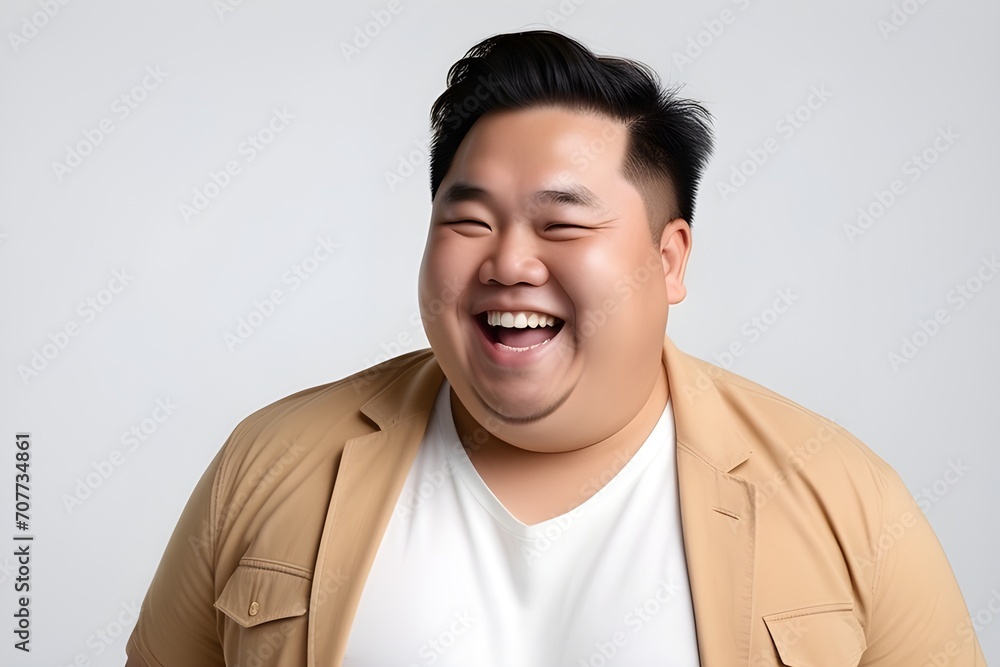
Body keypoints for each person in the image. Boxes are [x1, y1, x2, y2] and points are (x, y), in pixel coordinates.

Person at [125, 30, 985, 666]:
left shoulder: (845, 498)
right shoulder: (270, 461)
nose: (508, 262)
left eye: (563, 224)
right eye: (469, 220)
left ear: (669, 258)